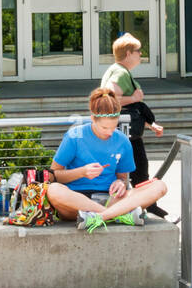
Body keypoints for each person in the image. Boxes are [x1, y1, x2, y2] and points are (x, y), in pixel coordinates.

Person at [47, 87, 170, 232]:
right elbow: (53, 176)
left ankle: (100, 217)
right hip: (76, 201)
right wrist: (82, 172)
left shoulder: (123, 140)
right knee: (54, 190)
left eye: (113, 127)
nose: (110, 132)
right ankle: (118, 216)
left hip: (110, 199)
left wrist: (120, 183)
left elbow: (123, 178)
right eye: (104, 127)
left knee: (159, 186)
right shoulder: (75, 136)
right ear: (93, 118)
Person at [99, 32, 169, 219]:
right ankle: (145, 204)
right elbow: (110, 99)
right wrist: (134, 97)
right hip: (126, 133)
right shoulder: (120, 72)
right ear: (128, 53)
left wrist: (150, 124)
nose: (141, 54)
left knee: (133, 170)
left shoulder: (116, 70)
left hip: (122, 131)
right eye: (138, 51)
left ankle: (142, 205)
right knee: (138, 169)